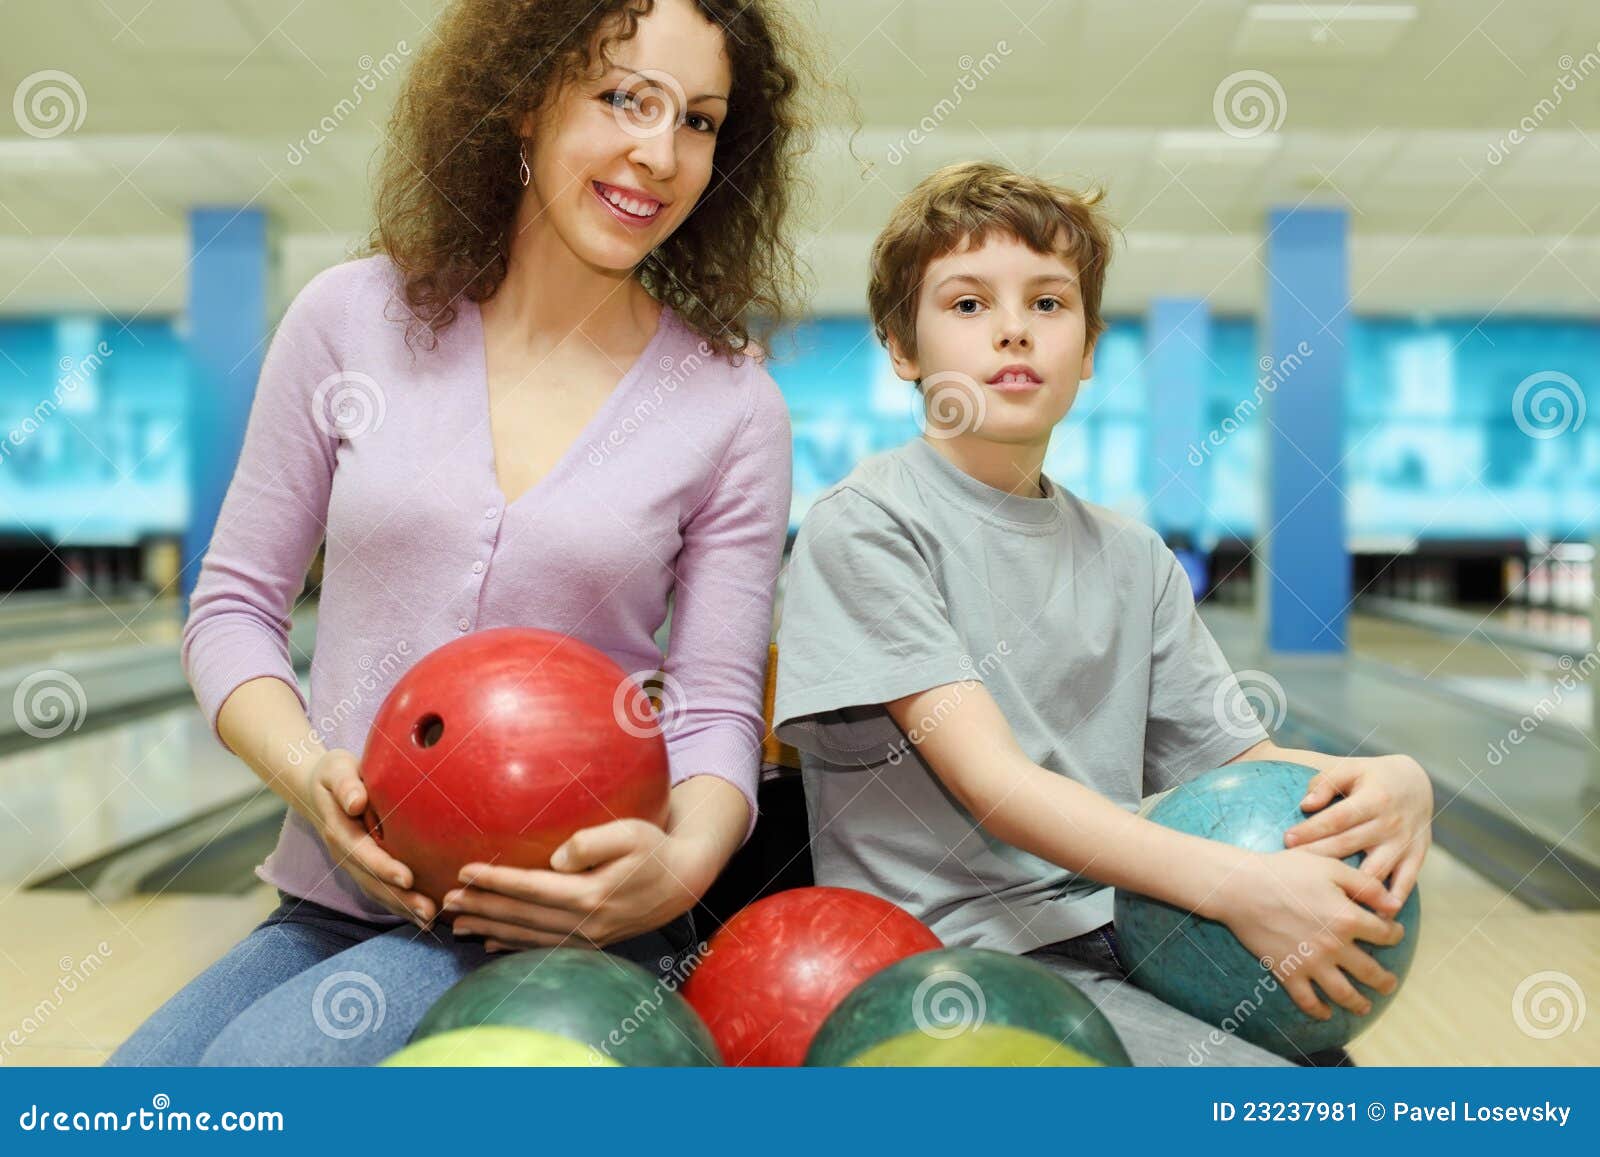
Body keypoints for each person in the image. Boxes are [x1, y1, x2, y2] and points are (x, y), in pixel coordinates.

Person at [109, 0, 813, 1066]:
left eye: (700, 120)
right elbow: (233, 607)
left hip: (560, 918)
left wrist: (674, 869)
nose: (659, 153)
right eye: (624, 97)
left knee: (253, 1081)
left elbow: (715, 703)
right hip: (332, 898)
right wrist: (308, 771)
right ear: (525, 100)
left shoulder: (730, 406)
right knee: (125, 1100)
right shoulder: (352, 319)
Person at [772, 161, 1434, 1067]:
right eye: (967, 305)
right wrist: (1242, 884)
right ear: (901, 345)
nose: (1013, 329)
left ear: (1087, 350)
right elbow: (995, 785)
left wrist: (1390, 780)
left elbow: (1245, 766)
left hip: (1135, 929)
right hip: (957, 966)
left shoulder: (1133, 557)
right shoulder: (869, 525)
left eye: (1049, 304)